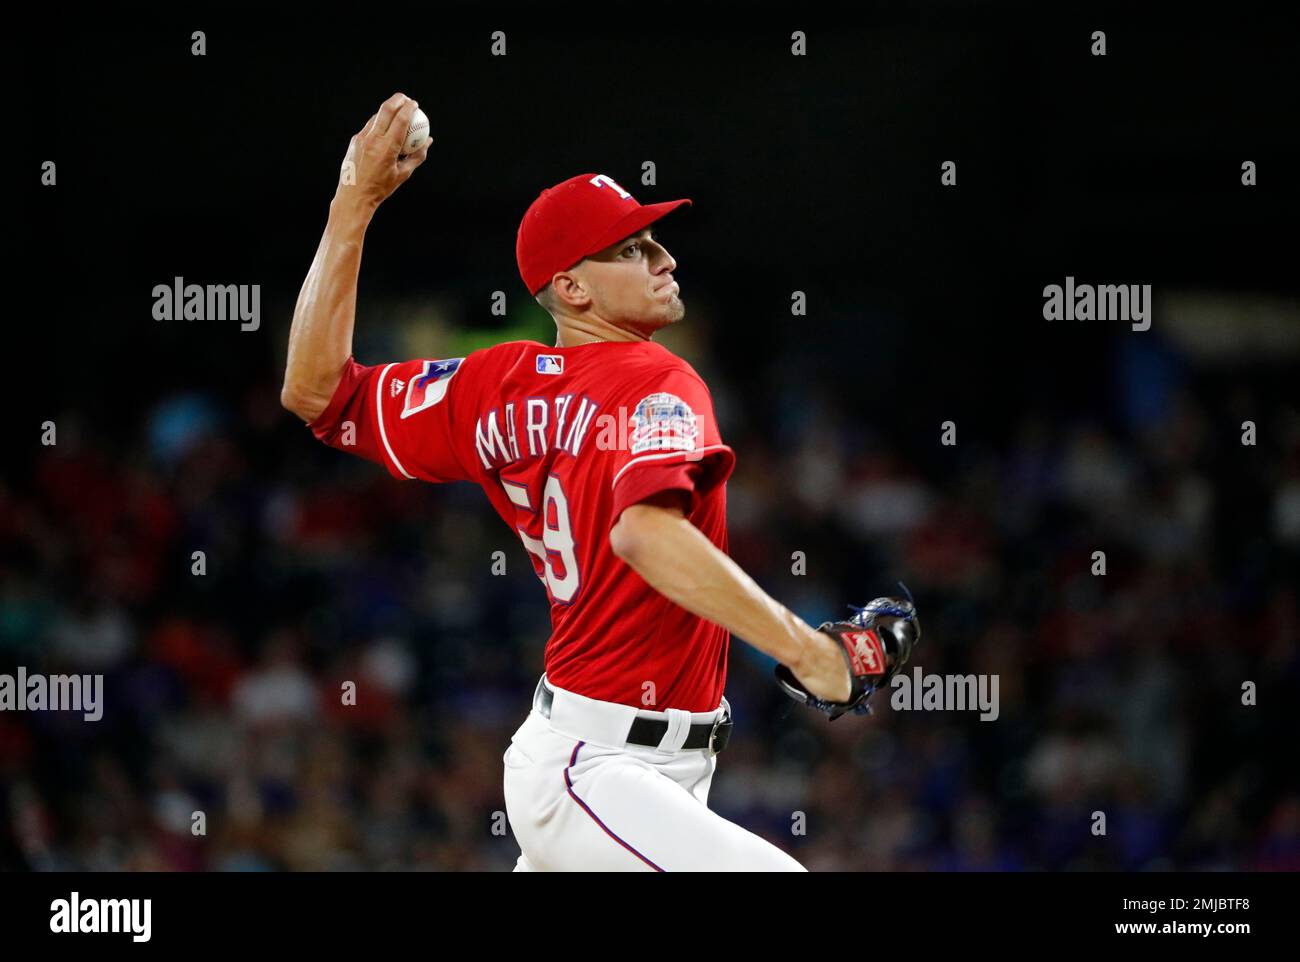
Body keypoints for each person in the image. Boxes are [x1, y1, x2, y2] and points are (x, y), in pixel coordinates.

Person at [282, 93, 900, 871]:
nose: (665, 258)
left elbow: (316, 393)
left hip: (608, 766)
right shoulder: (658, 381)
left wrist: (353, 204)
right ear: (572, 289)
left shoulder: (495, 384)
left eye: (655, 241)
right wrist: (812, 654)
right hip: (597, 772)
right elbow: (645, 532)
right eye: (634, 249)